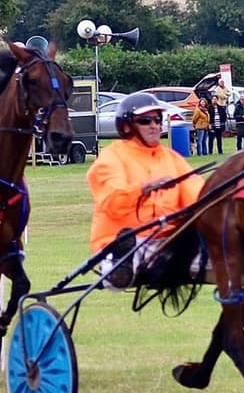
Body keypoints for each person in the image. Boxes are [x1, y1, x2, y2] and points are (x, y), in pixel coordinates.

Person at [87, 93, 205, 288]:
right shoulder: (111, 157)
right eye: (145, 121)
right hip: (128, 239)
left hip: (168, 240)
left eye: (158, 120)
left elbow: (196, 193)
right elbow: (112, 202)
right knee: (129, 252)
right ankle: (118, 262)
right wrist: (145, 187)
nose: (155, 126)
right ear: (126, 126)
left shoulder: (171, 158)